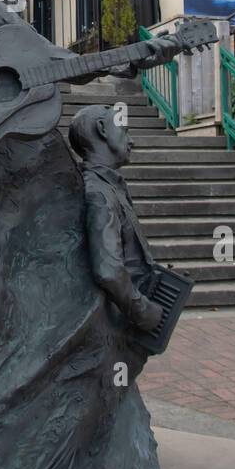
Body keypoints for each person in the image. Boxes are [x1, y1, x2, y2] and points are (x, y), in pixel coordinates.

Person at [68, 107, 164, 333]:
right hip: (114, 323)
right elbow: (108, 270)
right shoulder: (99, 194)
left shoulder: (109, 185)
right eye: (124, 131)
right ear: (102, 129)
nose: (131, 142)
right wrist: (144, 312)